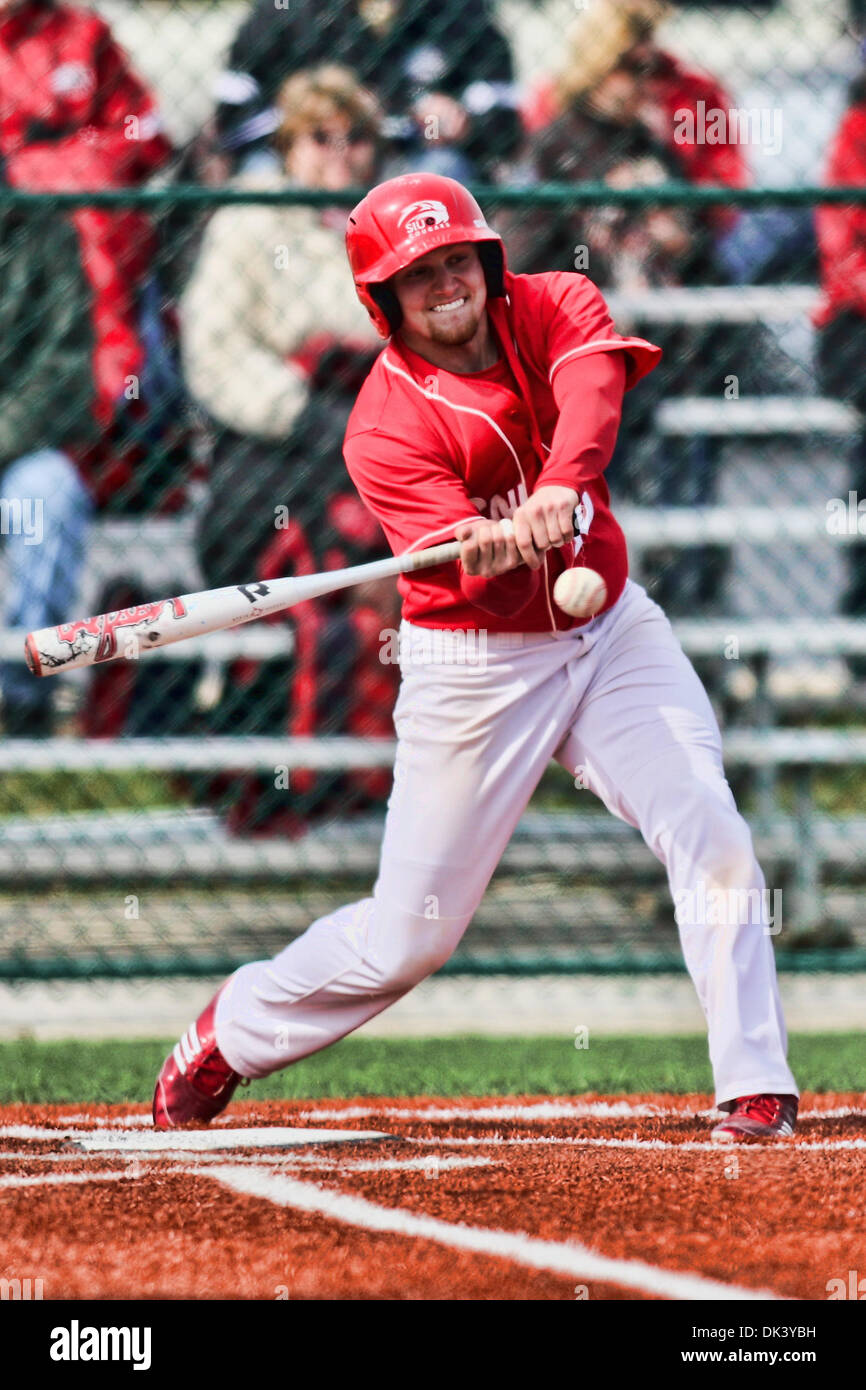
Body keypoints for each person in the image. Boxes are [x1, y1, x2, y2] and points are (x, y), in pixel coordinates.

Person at [154, 173, 799, 1144]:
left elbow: (593, 388)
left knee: (708, 827)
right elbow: (463, 559)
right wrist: (481, 545)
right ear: (382, 296)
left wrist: (557, 490)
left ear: (485, 259)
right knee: (406, 937)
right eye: (417, 273)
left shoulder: (555, 300)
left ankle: (753, 1081)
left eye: (455, 258)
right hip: (477, 663)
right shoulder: (382, 425)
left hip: (609, 628)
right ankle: (228, 1033)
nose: (443, 282)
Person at [0, 0, 171, 735]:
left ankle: (18, 693)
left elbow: (64, 364)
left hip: (12, 453)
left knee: (52, 490)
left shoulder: (38, 234)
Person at [212, 0, 520, 182]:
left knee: (444, 170)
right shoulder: (284, 10)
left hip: (407, 162)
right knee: (259, 176)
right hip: (299, 164)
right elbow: (232, 118)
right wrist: (305, 116)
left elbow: (504, 125)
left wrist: (459, 121)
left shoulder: (459, 11)